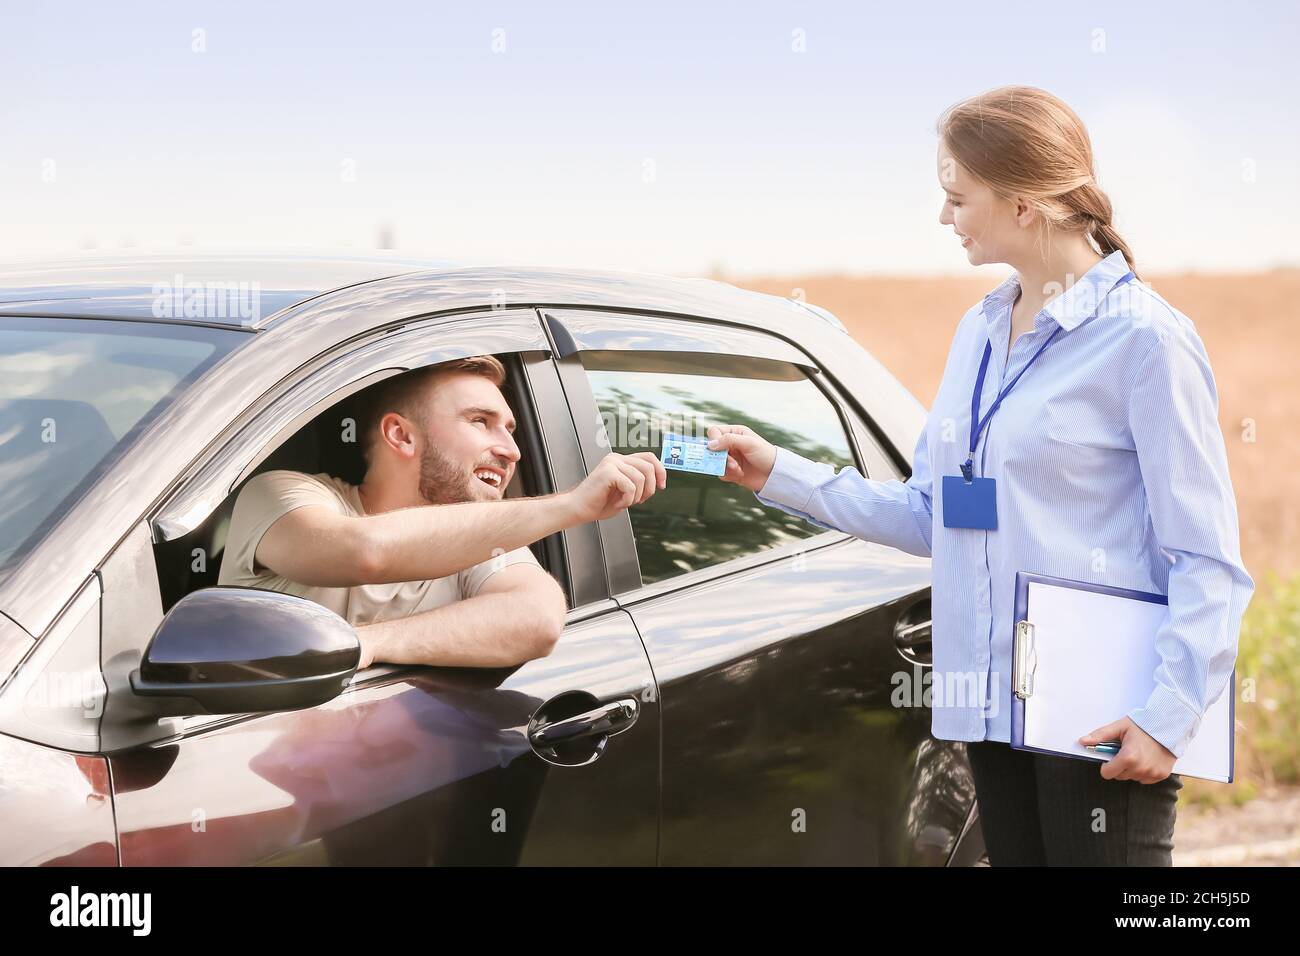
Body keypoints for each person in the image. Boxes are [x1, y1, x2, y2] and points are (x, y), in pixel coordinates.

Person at [705, 86, 1254, 866]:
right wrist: (777, 473)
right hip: (991, 712)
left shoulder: (1147, 343)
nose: (944, 217)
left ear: (1023, 202)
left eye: (956, 197)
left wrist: (1168, 715)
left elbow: (1209, 558)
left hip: (1101, 717)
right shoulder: (980, 332)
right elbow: (935, 515)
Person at [218, 354, 666, 670]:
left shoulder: (480, 538)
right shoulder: (281, 494)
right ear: (401, 436)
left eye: (510, 430)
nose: (511, 451)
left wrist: (368, 644)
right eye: (479, 421)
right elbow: (363, 550)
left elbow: (538, 618)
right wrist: (570, 506)